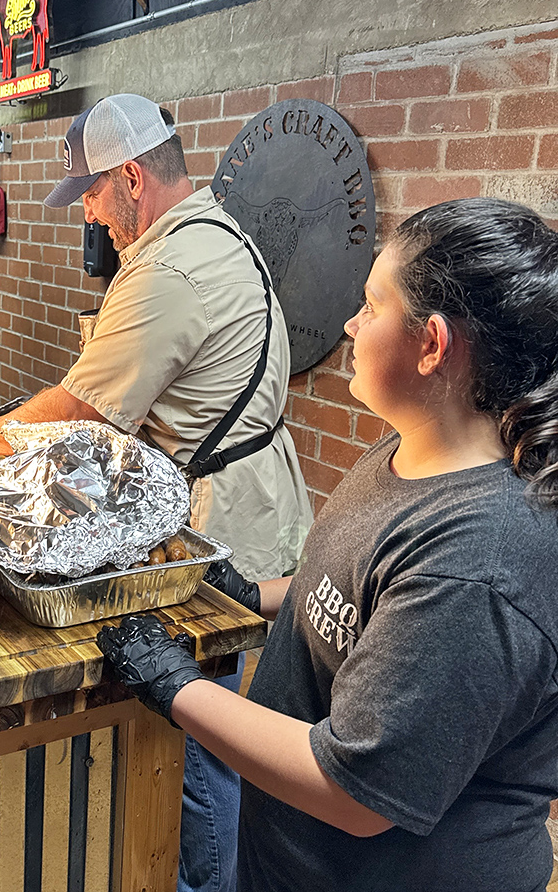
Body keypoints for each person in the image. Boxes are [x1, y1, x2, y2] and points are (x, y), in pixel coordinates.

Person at [97, 197, 558, 892]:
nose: (351, 324)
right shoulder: (406, 452)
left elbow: (354, 792)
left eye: (372, 305)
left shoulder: (479, 567)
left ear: (433, 345)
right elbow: (366, 601)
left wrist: (175, 685)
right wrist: (253, 594)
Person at [0, 93, 313, 892]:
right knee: (209, 727)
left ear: (132, 177)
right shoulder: (215, 231)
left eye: (93, 193)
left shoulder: (168, 269)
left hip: (214, 519)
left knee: (196, 741)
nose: (90, 214)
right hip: (254, 496)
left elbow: (77, 414)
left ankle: (199, 881)